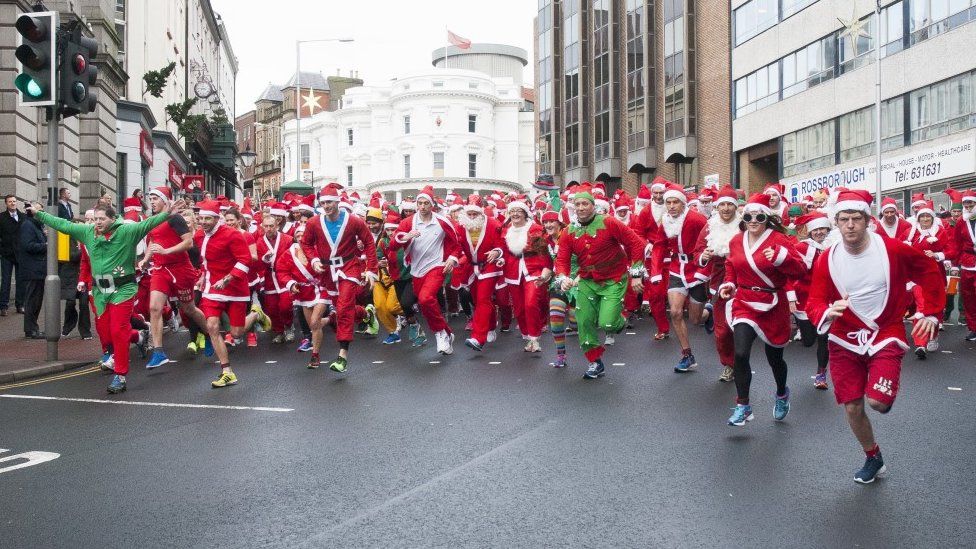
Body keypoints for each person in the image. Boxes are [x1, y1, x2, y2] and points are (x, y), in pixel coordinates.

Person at [806, 189, 944, 484]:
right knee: (853, 405)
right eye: (844, 219)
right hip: (843, 338)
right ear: (837, 223)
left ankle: (883, 392)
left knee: (878, 403)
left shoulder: (892, 249)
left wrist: (930, 311)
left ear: (868, 220)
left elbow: (929, 269)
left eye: (856, 218)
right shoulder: (826, 259)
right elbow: (814, 300)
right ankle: (873, 457)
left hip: (885, 331)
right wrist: (826, 312)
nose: (851, 225)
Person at [27, 199, 182, 393]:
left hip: (123, 290)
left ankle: (120, 376)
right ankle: (140, 336)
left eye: (102, 219)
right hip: (100, 292)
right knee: (106, 331)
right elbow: (63, 224)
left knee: (118, 330)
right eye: (95, 219)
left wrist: (167, 214)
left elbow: (148, 223)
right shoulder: (88, 232)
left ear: (112, 218)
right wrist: (39, 214)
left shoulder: (127, 232)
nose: (97, 222)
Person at [718, 193, 806, 426]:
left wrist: (781, 258)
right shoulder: (737, 241)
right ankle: (743, 405)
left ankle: (781, 393)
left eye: (758, 216)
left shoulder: (779, 239)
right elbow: (731, 267)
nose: (753, 220)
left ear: (767, 218)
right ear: (743, 218)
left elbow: (799, 271)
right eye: (748, 216)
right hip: (745, 301)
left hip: (772, 303)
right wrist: (728, 284)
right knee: (740, 353)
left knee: (774, 358)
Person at [554, 185, 645, 379]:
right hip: (587, 280)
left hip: (613, 278)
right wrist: (562, 278)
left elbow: (636, 243)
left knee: (608, 324)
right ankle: (595, 362)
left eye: (585, 203)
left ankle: (620, 322)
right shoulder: (569, 231)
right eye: (577, 204)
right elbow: (561, 259)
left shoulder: (609, 222)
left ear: (593, 206)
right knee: (584, 321)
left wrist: (636, 273)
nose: (581, 207)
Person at [300, 185, 379, 372]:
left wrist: (370, 270)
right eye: (323, 203)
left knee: (343, 308)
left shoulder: (353, 221)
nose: (326, 206)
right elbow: (306, 243)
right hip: (328, 270)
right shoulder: (313, 223)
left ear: (337, 202)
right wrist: (314, 260)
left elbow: (368, 242)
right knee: (345, 308)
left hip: (349, 267)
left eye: (329, 202)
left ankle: (343, 354)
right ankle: (367, 314)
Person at [141, 186, 208, 369]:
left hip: (181, 269)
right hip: (161, 269)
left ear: (164, 200)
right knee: (154, 307)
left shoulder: (175, 218)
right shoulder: (153, 220)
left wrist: (166, 251)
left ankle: (210, 334)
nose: (152, 201)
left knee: (189, 309)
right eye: (151, 198)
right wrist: (146, 260)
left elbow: (188, 242)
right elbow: (153, 242)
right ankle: (158, 352)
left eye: (156, 198)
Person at [392, 186, 462, 355]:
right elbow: (393, 245)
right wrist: (405, 237)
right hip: (416, 270)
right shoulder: (408, 222)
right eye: (419, 203)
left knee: (425, 299)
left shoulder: (442, 221)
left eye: (426, 203)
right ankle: (446, 332)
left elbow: (457, 242)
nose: (422, 207)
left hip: (436, 266)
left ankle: (439, 333)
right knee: (422, 303)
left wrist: (452, 259)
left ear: (432, 205)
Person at [649, 183, 710, 373]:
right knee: (675, 312)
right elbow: (659, 246)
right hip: (677, 268)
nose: (672, 206)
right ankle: (687, 354)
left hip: (697, 268)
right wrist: (656, 272)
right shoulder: (664, 221)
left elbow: (711, 236)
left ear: (683, 203)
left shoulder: (696, 219)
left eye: (675, 202)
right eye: (668, 202)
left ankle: (708, 313)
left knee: (695, 319)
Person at [693, 185, 740, 383]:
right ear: (717, 207)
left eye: (730, 204)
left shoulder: (744, 225)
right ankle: (729, 364)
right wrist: (703, 256)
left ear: (736, 207)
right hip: (719, 281)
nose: (726, 209)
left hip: (743, 279)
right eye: (723, 205)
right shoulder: (709, 226)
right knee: (722, 331)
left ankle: (741, 362)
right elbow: (697, 254)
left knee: (741, 326)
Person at [501, 200, 552, 353]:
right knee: (519, 308)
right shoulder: (505, 230)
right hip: (513, 272)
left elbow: (543, 252)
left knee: (530, 304)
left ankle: (534, 338)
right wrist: (500, 257)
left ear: (525, 213)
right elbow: (502, 250)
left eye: (519, 211)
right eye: (512, 211)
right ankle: (526, 335)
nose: (515, 214)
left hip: (533, 271)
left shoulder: (535, 229)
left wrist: (546, 270)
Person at [789, 212, 832, 389]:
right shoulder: (801, 248)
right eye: (816, 229)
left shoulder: (835, 246)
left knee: (824, 337)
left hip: (826, 300)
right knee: (808, 341)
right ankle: (804, 331)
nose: (820, 232)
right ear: (810, 231)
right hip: (804, 299)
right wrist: (790, 297)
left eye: (823, 228)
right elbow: (789, 274)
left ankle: (821, 374)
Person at [457, 201, 505, 352]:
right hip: (472, 267)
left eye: (475, 214)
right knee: (478, 301)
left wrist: (497, 251)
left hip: (489, 265)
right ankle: (490, 326)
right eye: (469, 214)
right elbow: (456, 245)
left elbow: (502, 243)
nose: (471, 217)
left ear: (481, 214)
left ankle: (478, 338)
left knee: (483, 298)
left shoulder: (493, 224)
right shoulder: (461, 226)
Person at [905, 200, 951, 359]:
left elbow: (950, 249)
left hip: (935, 276)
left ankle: (933, 335)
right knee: (921, 307)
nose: (925, 219)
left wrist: (937, 255)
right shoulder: (912, 233)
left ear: (932, 218)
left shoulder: (941, 232)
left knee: (935, 308)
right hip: (917, 277)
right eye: (922, 216)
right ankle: (920, 344)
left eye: (927, 217)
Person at [256, 212, 295, 344]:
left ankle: (289, 327)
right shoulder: (259, 242)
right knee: (272, 308)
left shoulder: (288, 239)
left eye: (271, 226)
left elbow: (293, 258)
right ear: (262, 227)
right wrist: (264, 260)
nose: (269, 229)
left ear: (277, 225)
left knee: (285, 306)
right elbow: (257, 265)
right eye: (266, 226)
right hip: (269, 278)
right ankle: (278, 331)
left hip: (284, 277)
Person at [946, 191, 976, 341]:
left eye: (970, 203)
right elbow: (956, 244)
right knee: (969, 298)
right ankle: (973, 328)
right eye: (966, 203)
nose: (968, 206)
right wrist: (955, 264)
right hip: (967, 263)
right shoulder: (961, 222)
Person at [18, 208, 48, 338]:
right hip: (32, 269)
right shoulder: (28, 226)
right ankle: (31, 330)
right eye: (39, 211)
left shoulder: (36, 226)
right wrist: (46, 245)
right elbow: (28, 245)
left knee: (36, 300)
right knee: (32, 300)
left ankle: (33, 328)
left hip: (37, 269)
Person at [0, 195, 25, 315]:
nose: (12, 203)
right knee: (5, 280)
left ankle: (20, 305)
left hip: (20, 253)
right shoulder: (1, 217)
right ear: (6, 203)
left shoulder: (23, 217)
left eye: (14, 201)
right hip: (7, 253)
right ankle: (3, 306)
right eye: (10, 202)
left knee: (21, 280)